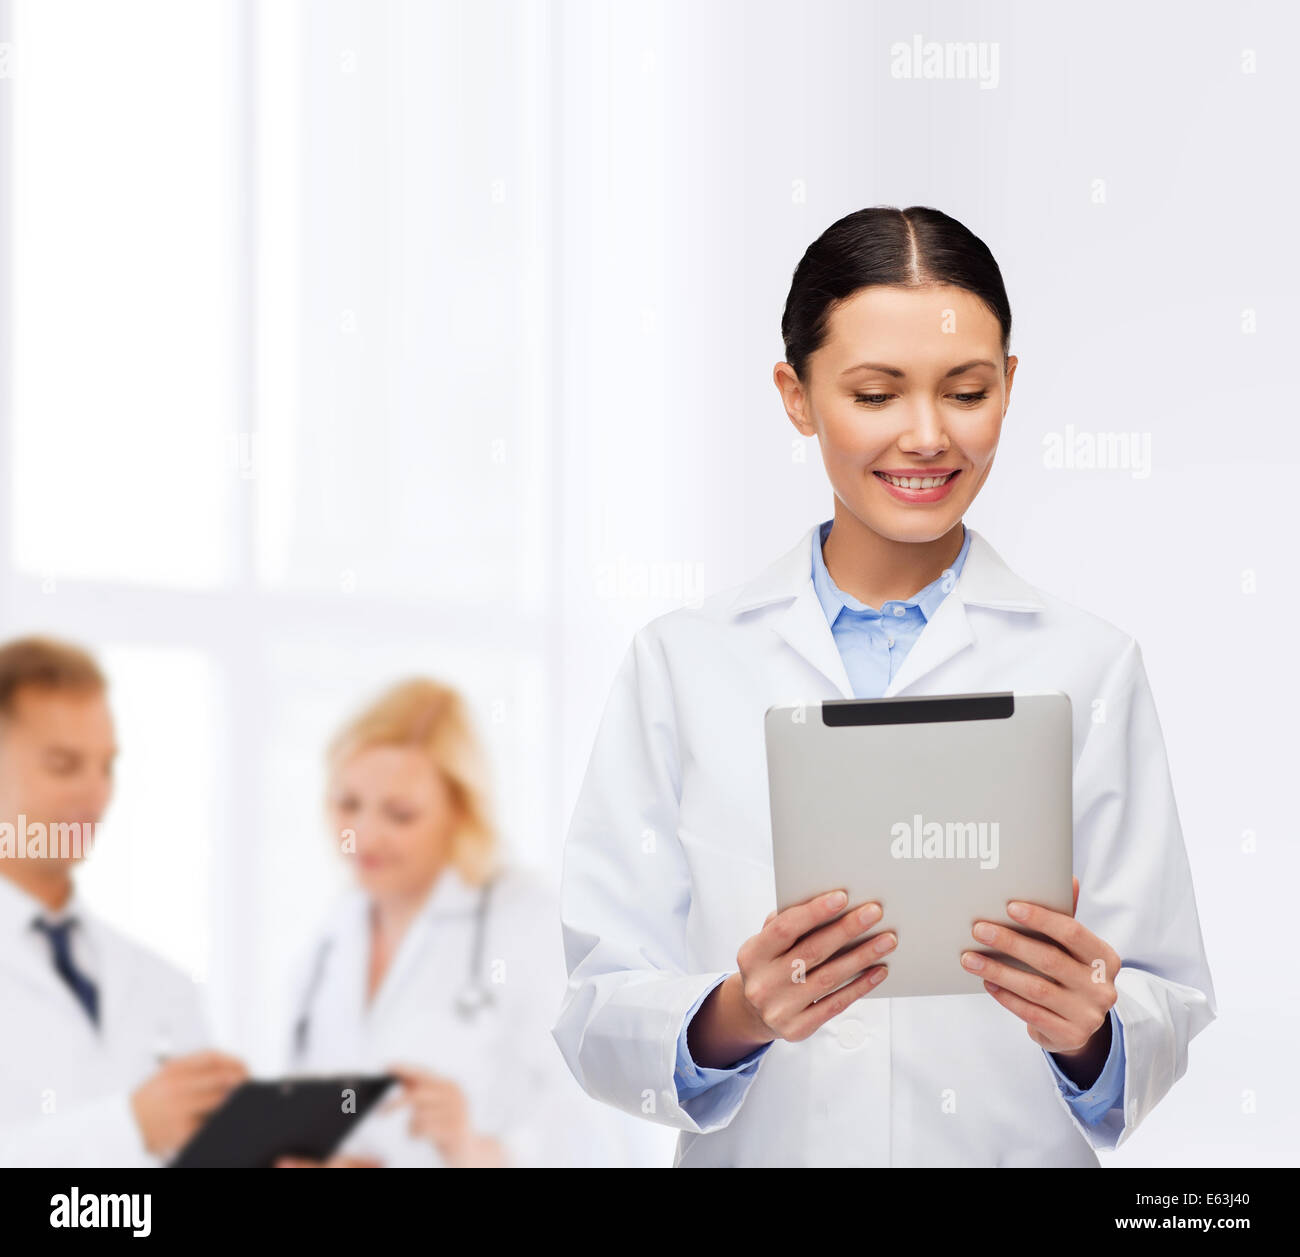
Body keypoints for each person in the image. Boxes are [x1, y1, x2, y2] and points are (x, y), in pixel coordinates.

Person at [551, 205, 1216, 1168]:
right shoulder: (683, 663)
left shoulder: (1090, 664)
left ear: (1010, 387)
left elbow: (1167, 997)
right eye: (873, 393)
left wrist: (1091, 1029)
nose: (926, 436)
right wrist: (735, 1014)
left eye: (967, 390)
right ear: (796, 395)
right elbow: (595, 1009)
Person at [281, 677, 635, 1167]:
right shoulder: (334, 931)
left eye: (400, 815)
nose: (364, 835)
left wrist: (469, 1148)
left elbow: (591, 1141)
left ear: (459, 812)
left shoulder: (524, 921)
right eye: (347, 804)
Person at [0, 635, 246, 1167]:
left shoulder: (164, 987)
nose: (95, 794)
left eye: (106, 766)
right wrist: (128, 1129)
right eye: (64, 765)